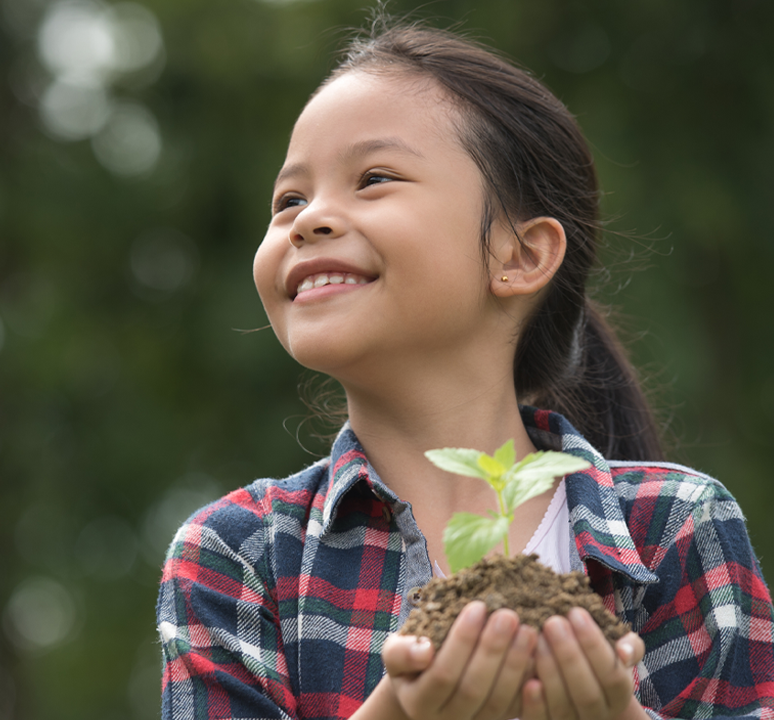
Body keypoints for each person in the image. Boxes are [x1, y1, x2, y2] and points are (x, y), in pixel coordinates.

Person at [155, 21, 774, 720]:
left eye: (374, 179)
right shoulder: (239, 556)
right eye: (289, 200)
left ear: (521, 256)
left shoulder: (677, 529)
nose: (310, 219)